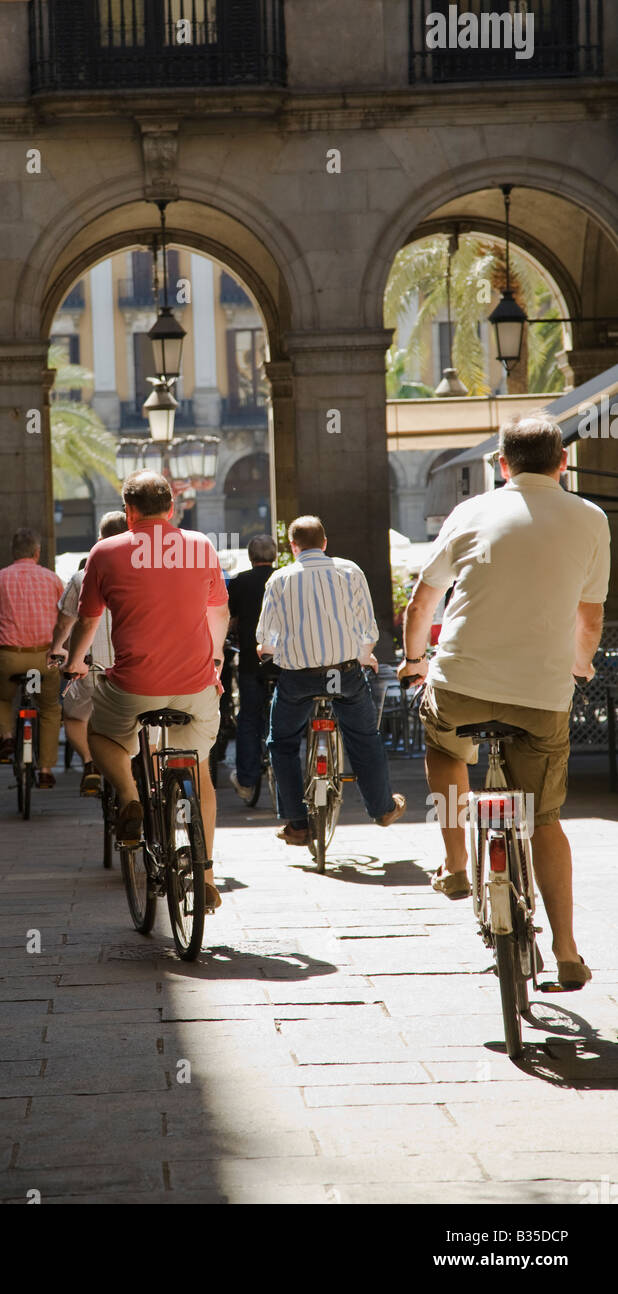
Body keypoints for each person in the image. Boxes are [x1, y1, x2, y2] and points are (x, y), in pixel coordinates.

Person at [400, 415, 610, 989]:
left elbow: (423, 602)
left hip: (462, 684)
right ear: (562, 463)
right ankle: (566, 949)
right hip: (541, 695)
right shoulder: (590, 519)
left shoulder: (469, 513)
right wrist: (578, 665)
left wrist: (416, 661)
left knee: (443, 742)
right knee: (543, 816)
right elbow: (588, 617)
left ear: (501, 465)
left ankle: (455, 862)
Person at [64, 472, 229, 911]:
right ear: (172, 508)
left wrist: (74, 661)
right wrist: (215, 662)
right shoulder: (200, 546)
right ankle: (207, 877)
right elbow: (219, 612)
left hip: (133, 685)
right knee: (200, 770)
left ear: (128, 511)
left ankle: (131, 798)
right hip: (195, 686)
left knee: (100, 735)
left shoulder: (105, 552)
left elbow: (87, 621)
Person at [256, 515, 405, 844]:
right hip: (344, 674)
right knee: (364, 737)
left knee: (281, 744)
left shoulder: (279, 579)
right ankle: (381, 808)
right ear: (325, 543)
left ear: (292, 547)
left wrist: (264, 650)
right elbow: (368, 627)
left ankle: (297, 823)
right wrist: (365, 655)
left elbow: (267, 637)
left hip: (297, 679)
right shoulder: (349, 570)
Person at [48, 511, 129, 796]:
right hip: (134, 668)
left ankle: (90, 763)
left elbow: (66, 621)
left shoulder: (81, 577)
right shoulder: (146, 575)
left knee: (74, 717)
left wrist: (58, 650)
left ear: (99, 541)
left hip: (91, 668)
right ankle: (143, 778)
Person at [0, 529, 63, 784]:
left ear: (13, 553)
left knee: (0, 699)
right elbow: (65, 620)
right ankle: (46, 771)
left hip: (10, 658)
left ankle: (6, 738)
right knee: (49, 709)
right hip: (45, 659)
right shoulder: (53, 579)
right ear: (37, 553)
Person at [227, 533, 278, 801]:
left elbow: (229, 617)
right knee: (281, 718)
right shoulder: (285, 577)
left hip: (250, 660)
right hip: (282, 663)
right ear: (275, 556)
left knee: (248, 718)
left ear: (251, 557)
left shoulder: (240, 582)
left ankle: (246, 780)